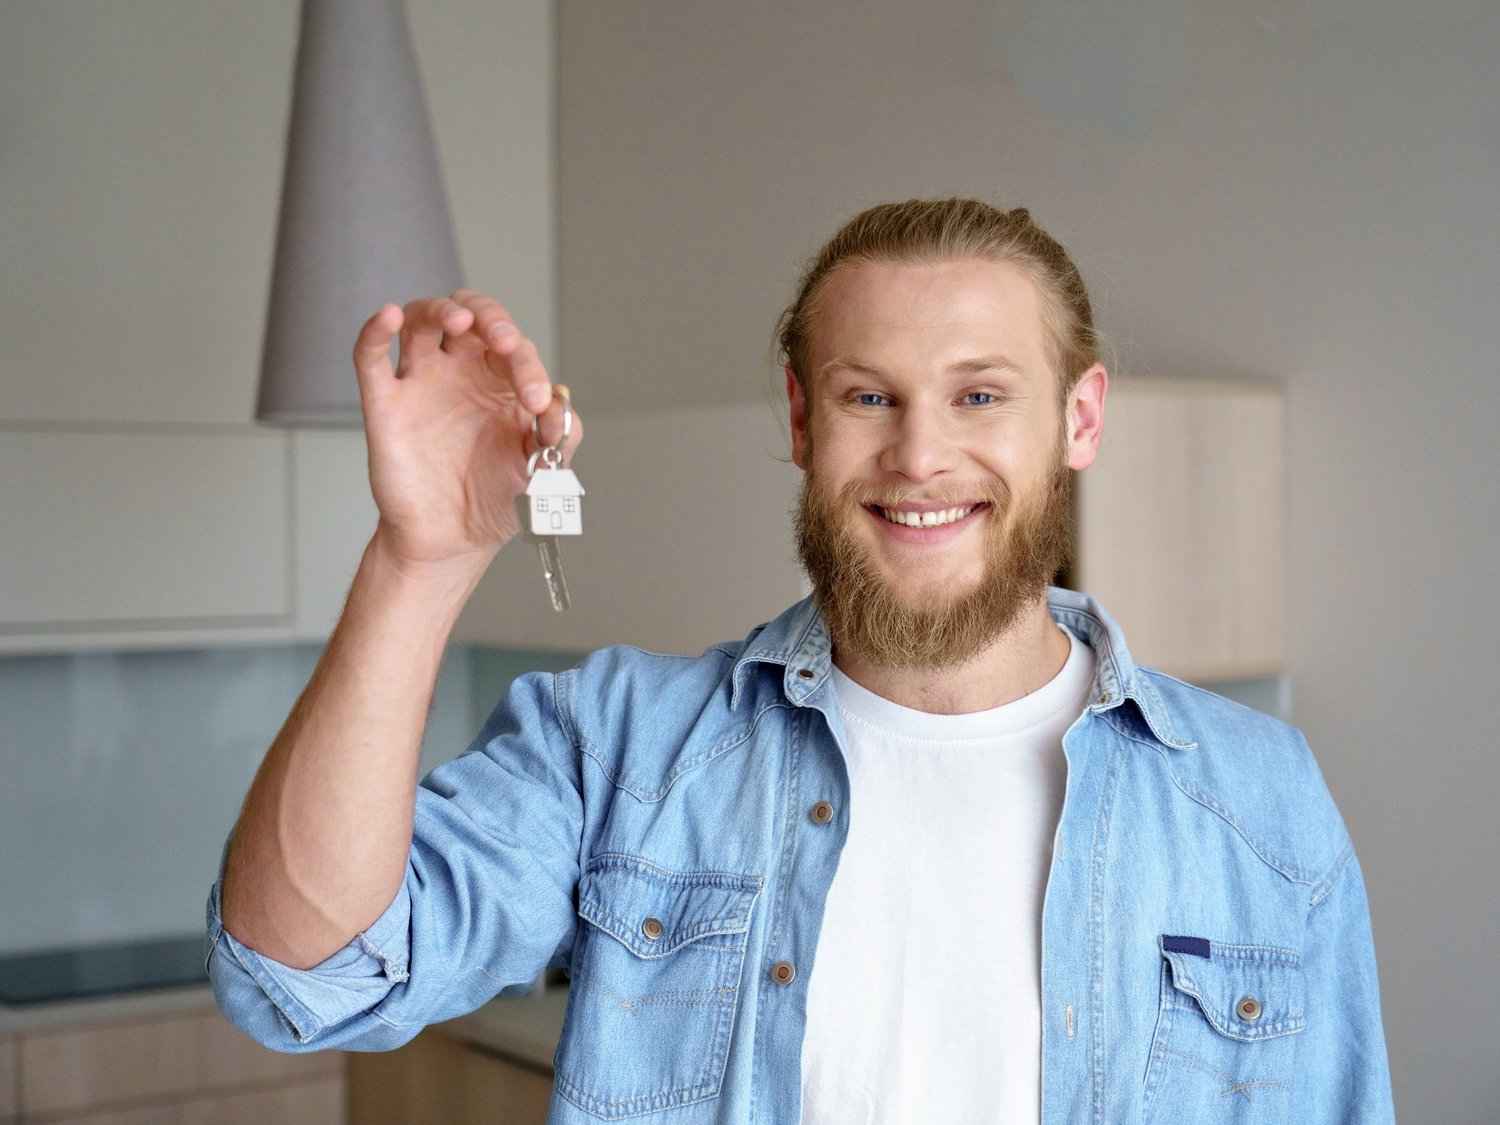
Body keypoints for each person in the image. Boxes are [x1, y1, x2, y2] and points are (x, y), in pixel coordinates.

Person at [208, 198, 1394, 1123]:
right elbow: (302, 976)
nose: (920, 454)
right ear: (799, 419)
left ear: (1079, 419)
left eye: (980, 395)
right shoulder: (619, 748)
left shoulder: (1259, 798)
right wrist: (422, 557)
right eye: (869, 397)